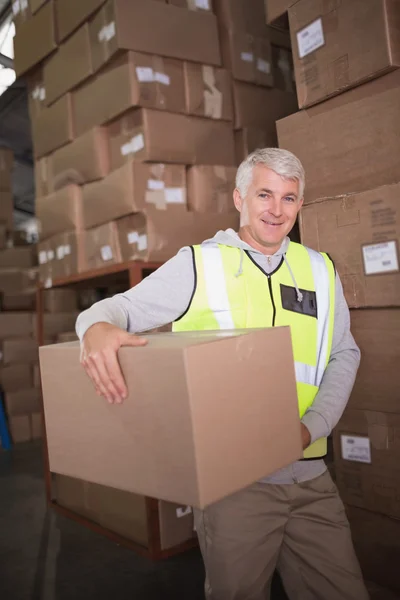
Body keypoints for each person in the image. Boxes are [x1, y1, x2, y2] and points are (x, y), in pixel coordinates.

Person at [76, 148, 369, 600]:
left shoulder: (320, 270)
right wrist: (94, 327)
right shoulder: (200, 264)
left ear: (300, 206)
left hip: (311, 476)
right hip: (235, 486)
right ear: (239, 198)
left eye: (289, 198)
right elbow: (119, 309)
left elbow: (343, 354)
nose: (276, 209)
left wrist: (311, 427)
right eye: (264, 194)